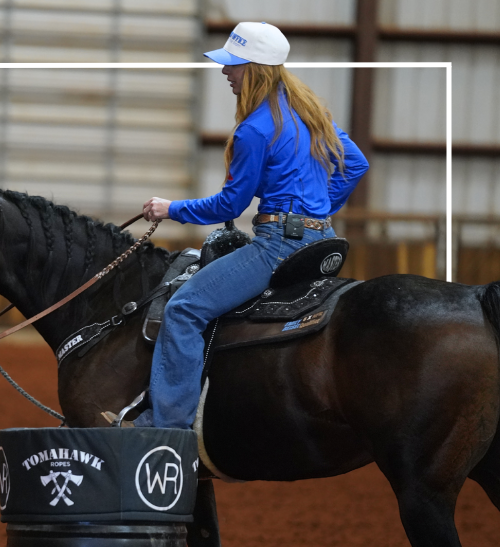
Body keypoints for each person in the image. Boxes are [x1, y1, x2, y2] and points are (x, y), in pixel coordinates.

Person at [135, 22, 369, 430]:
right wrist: (317, 212)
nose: (226, 71)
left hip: (277, 247)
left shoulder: (255, 129)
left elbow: (230, 204)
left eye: (233, 64)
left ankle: (167, 428)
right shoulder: (311, 113)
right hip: (324, 240)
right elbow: (356, 165)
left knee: (184, 309)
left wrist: (171, 208)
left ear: (255, 69)